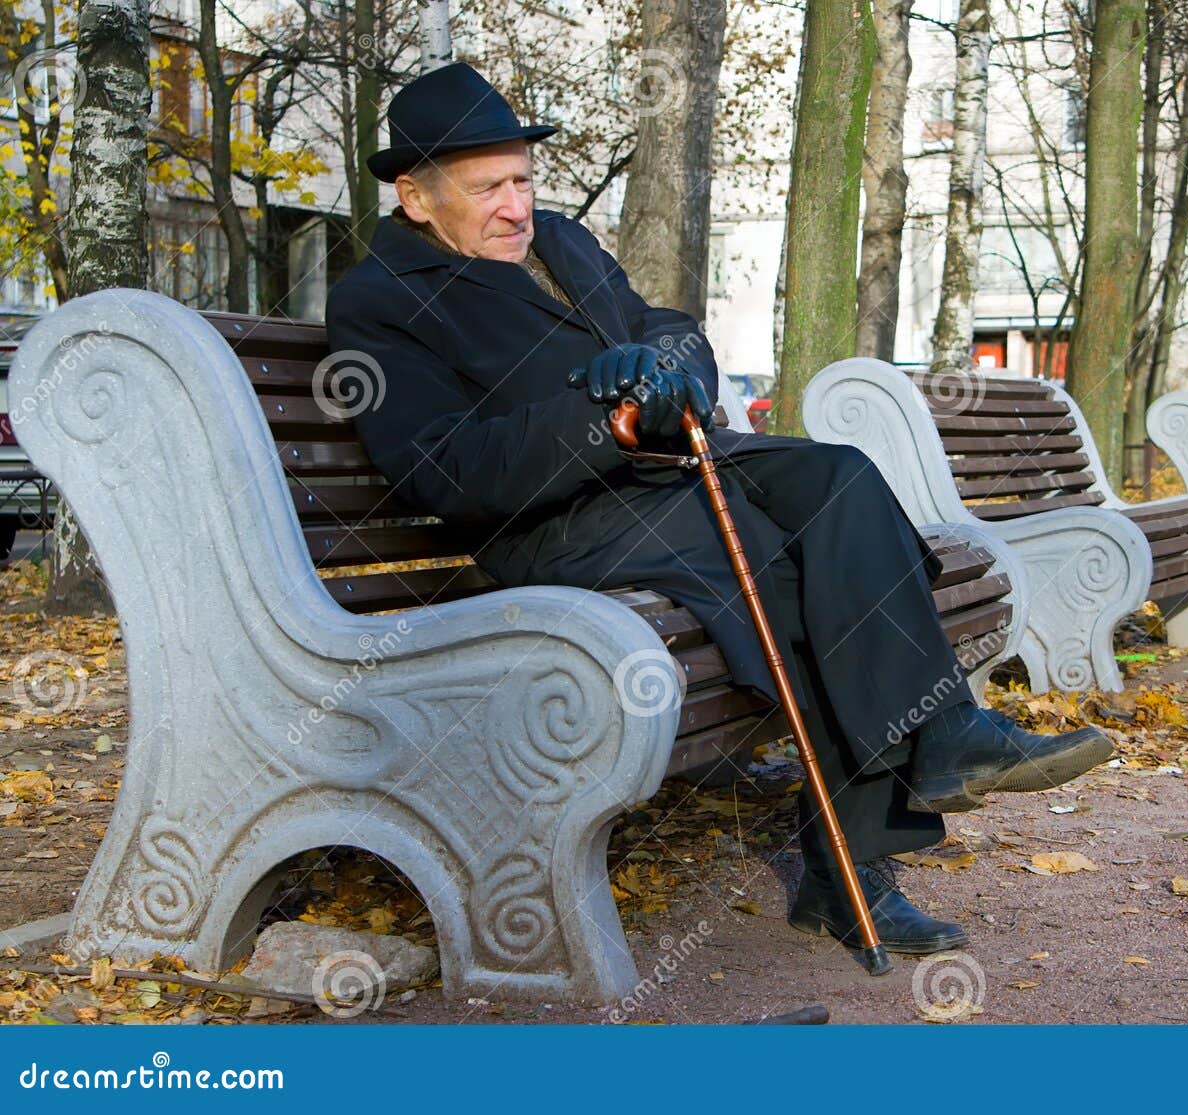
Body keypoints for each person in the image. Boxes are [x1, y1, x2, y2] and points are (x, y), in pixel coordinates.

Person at [326, 62, 1113, 956]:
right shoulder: (379, 304)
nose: (515, 207)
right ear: (415, 197)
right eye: (488, 189)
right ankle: (851, 862)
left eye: (523, 180)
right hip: (553, 522)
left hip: (669, 475)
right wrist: (605, 414)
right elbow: (447, 471)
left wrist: (665, 365)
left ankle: (942, 731)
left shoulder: (560, 241)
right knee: (784, 567)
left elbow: (664, 322)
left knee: (843, 483)